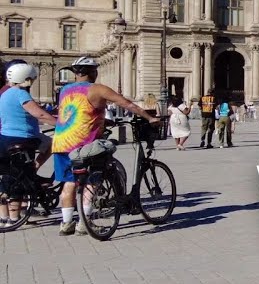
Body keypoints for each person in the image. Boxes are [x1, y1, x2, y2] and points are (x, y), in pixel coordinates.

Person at [51, 57, 159, 235]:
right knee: (92, 182)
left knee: (68, 183)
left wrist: (103, 120)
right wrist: (149, 118)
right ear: (92, 72)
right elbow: (126, 103)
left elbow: (79, 112)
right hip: (84, 144)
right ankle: (84, 223)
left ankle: (66, 223)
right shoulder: (97, 89)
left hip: (62, 142)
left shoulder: (65, 89)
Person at [0, 63, 58, 227]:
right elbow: (38, 113)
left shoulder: (5, 94)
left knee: (8, 176)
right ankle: (14, 218)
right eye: (31, 79)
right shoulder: (20, 94)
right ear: (26, 79)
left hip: (4, 138)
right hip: (24, 139)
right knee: (53, 143)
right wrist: (61, 123)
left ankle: (4, 218)